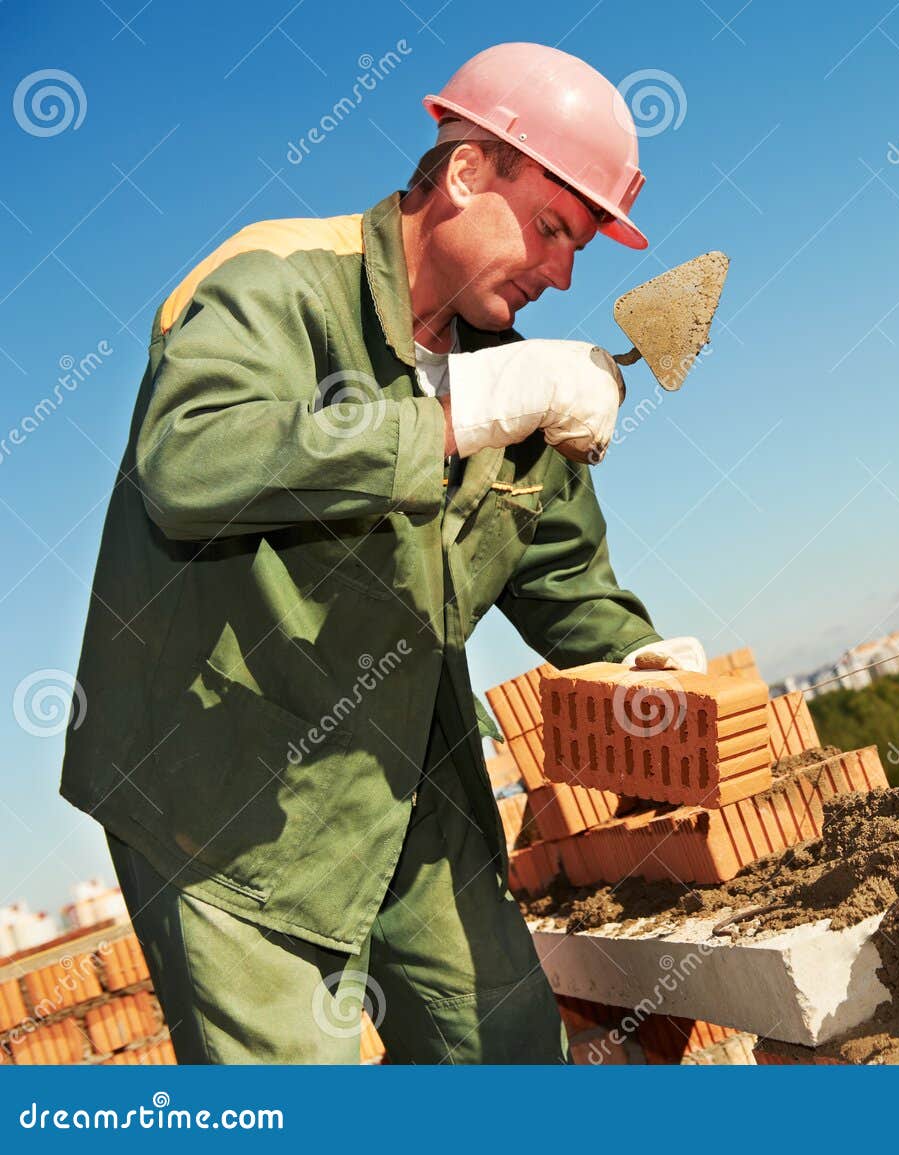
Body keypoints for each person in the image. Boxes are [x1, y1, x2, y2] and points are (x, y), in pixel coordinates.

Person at [59, 42, 704, 1064]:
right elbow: (188, 465)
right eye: (549, 228)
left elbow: (564, 578)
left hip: (405, 762)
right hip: (218, 784)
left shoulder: (511, 371)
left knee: (498, 1045)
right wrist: (455, 411)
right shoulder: (273, 284)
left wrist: (639, 662)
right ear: (463, 173)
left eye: (579, 248)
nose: (561, 272)